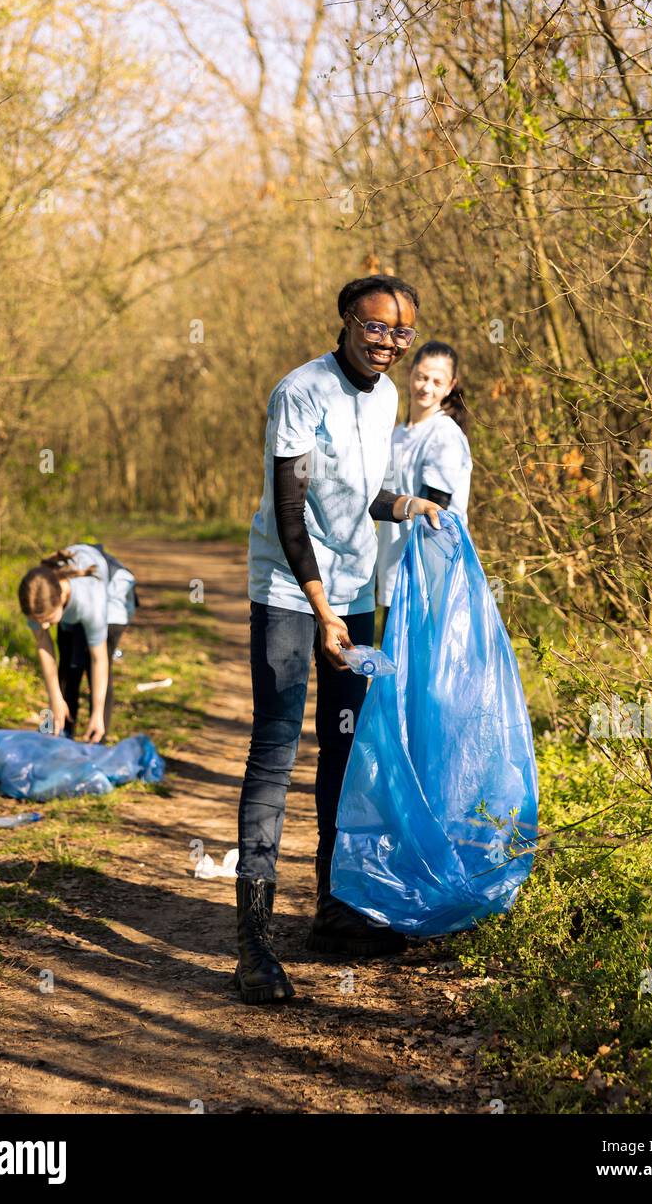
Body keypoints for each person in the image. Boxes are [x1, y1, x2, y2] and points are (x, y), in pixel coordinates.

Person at [237, 275, 444, 1004]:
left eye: (401, 332)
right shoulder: (298, 392)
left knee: (347, 746)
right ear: (346, 321)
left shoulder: (386, 397)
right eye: (376, 326)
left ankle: (334, 910)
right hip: (292, 593)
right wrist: (321, 608)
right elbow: (292, 512)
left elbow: (356, 499)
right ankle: (254, 945)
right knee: (277, 749)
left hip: (352, 599)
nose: (387, 341)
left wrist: (407, 504)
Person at [376, 340, 472, 639]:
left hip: (429, 578)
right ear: (410, 373)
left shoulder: (443, 434)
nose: (426, 387)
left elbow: (434, 513)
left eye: (437, 381)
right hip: (393, 570)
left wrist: (425, 584)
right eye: (421, 376)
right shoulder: (396, 434)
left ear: (450, 386)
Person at [18, 544, 137, 744]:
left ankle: (97, 736)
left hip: (114, 595)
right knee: (69, 666)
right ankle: (58, 736)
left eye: (48, 620)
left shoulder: (88, 601)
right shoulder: (36, 597)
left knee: (95, 668)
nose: (44, 626)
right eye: (39, 622)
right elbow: (44, 645)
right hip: (73, 600)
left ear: (61, 599)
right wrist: (54, 697)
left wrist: (97, 713)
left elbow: (99, 660)